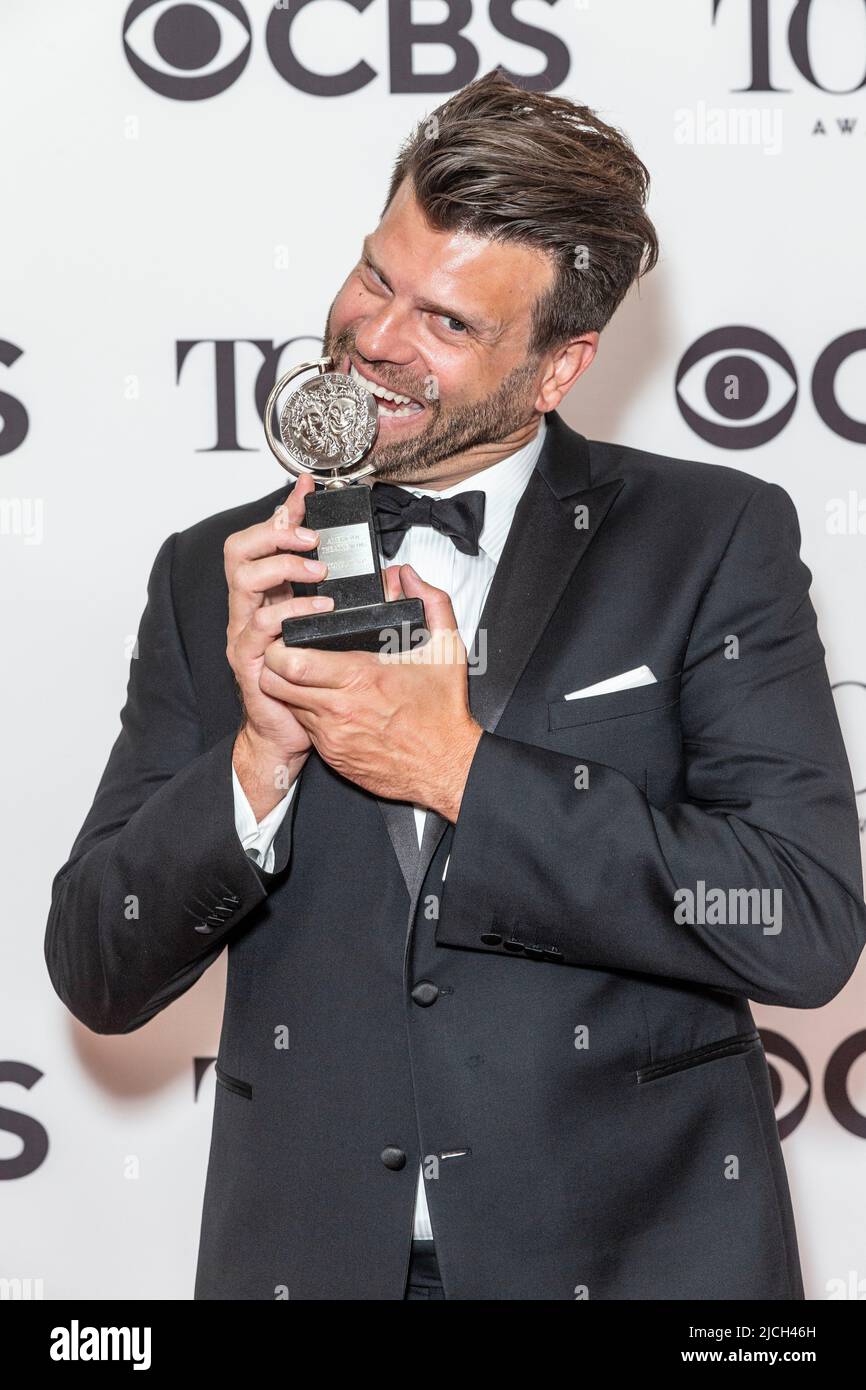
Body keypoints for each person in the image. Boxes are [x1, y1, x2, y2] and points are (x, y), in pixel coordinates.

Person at [45, 68, 865, 1301]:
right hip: (308, 1262)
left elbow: (795, 920)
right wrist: (254, 763)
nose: (375, 338)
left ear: (556, 366)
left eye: (447, 322)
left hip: (637, 1263)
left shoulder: (711, 538)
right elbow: (99, 969)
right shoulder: (214, 571)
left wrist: (459, 770)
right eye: (377, 277)